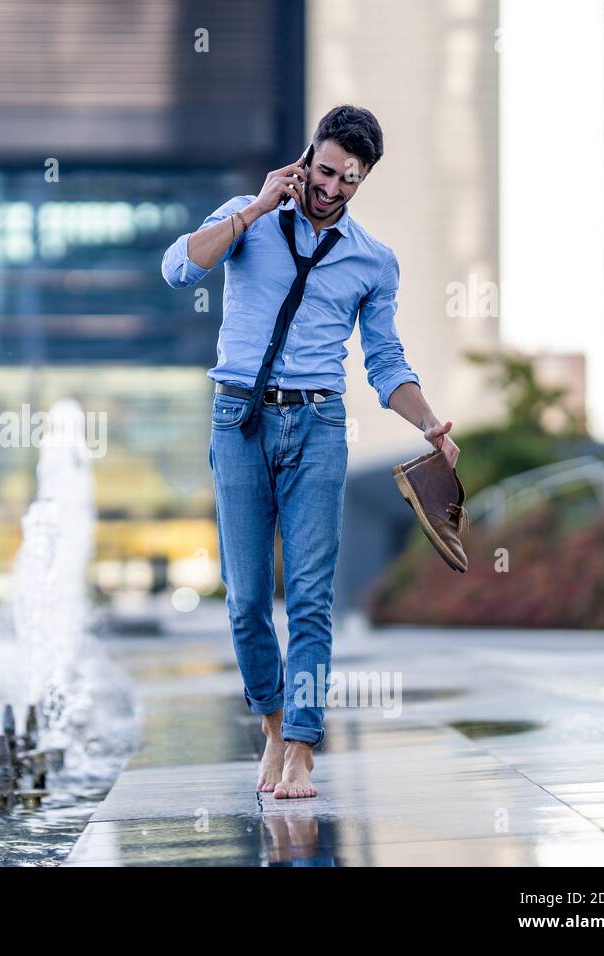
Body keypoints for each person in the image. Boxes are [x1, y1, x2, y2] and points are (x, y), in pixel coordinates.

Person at [160, 104, 459, 799]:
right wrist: (257, 208)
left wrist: (430, 423)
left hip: (319, 427)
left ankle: (300, 745)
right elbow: (179, 268)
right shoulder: (248, 216)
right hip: (238, 421)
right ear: (307, 159)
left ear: (364, 179)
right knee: (245, 601)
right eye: (325, 172)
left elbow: (385, 363)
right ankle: (271, 723)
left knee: (313, 600)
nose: (332, 189)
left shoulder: (373, 261)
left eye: (349, 181)